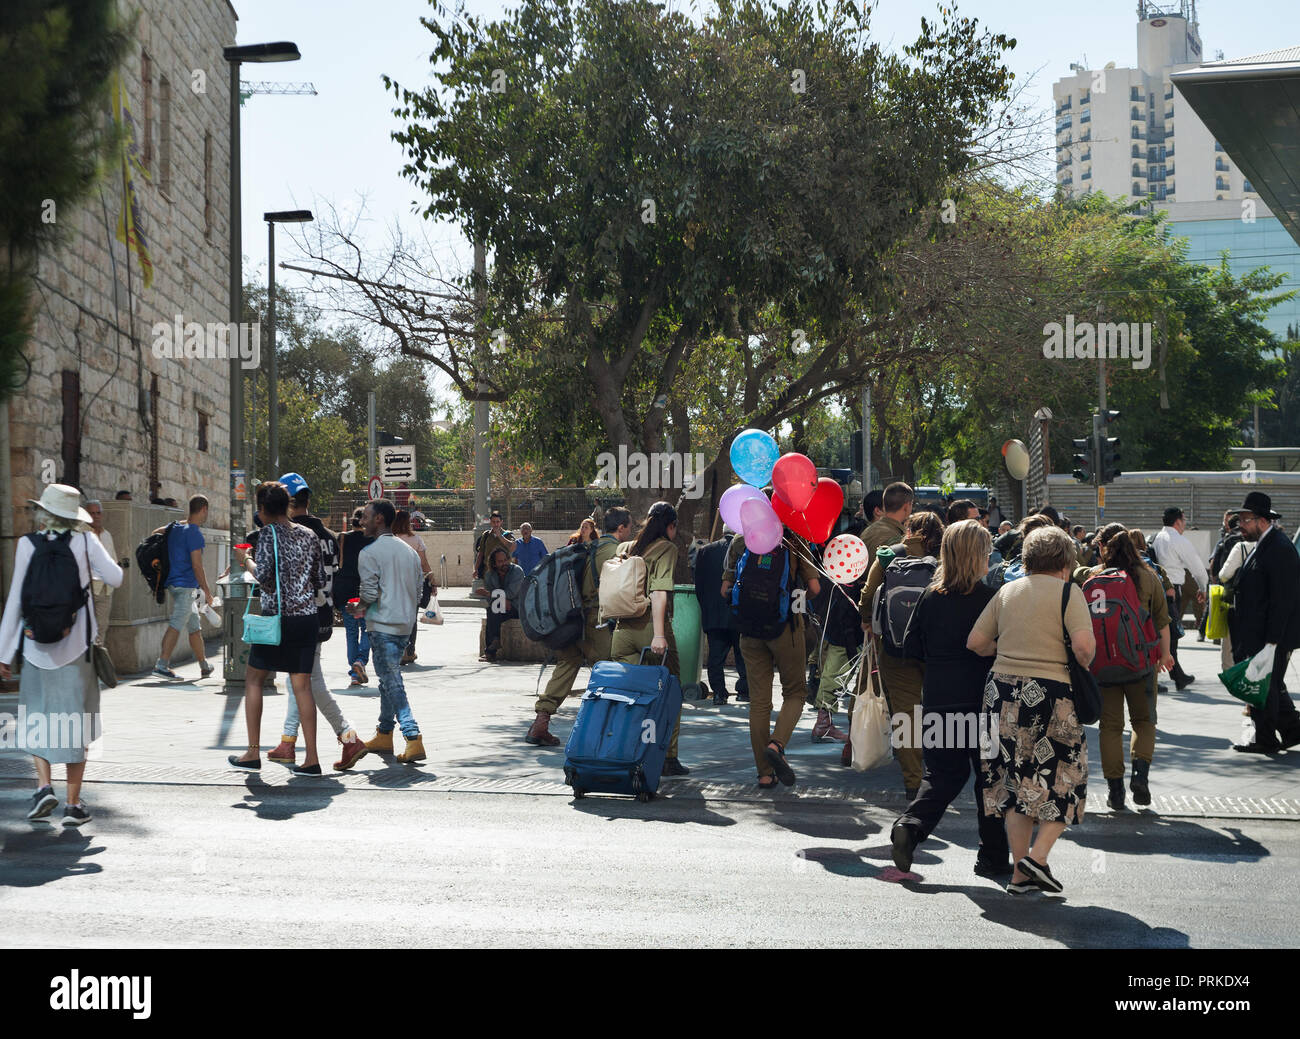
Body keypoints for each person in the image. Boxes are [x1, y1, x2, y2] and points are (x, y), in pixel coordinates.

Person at [967, 526, 1095, 895]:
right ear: (1065, 561)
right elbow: (1085, 651)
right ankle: (1036, 860)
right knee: (1068, 778)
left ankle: (1020, 877)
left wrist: (1007, 649)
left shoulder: (1007, 591)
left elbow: (975, 642)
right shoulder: (1069, 594)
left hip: (1000, 694)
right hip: (1050, 696)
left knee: (1012, 785)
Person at [890, 519, 1010, 877]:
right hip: (983, 702)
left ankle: (911, 825)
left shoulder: (929, 597)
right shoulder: (992, 599)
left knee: (942, 775)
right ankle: (991, 856)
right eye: (987, 550)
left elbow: (911, 647)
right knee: (989, 779)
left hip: (940, 696)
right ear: (977, 556)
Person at [0, 485, 123, 825]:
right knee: (76, 725)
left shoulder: (26, 544)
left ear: (44, 512)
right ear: (74, 515)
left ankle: (43, 787)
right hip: (76, 648)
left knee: (39, 719)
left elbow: (16, 600)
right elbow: (116, 576)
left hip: (36, 645)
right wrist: (88, 573)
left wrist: (4, 653)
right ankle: (73, 804)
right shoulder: (85, 541)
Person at [254, 474, 368, 772]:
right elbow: (325, 577)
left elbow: (270, 578)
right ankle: (294, 741)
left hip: (293, 615)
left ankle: (344, 736)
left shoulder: (288, 533)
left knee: (305, 683)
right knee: (304, 681)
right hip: (319, 614)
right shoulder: (327, 535)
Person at [228, 482, 328, 776]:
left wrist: (245, 559)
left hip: (277, 619)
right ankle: (311, 759)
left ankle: (252, 752)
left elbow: (266, 579)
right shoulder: (310, 535)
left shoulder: (266, 535)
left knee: (254, 679)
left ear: (262, 510)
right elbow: (319, 578)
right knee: (302, 687)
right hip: (306, 619)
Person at [1074, 524, 1173, 811]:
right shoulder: (1147, 576)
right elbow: (1161, 621)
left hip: (1103, 666)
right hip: (1141, 664)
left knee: (1110, 727)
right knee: (1143, 721)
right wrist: (1164, 655)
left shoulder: (1095, 576)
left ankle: (1114, 791)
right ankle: (1140, 777)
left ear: (1105, 549)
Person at [721, 525, 822, 788]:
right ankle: (777, 745)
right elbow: (814, 587)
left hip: (749, 630)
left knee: (759, 703)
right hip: (785, 628)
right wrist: (797, 597)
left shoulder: (742, 540)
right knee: (796, 692)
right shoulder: (793, 540)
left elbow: (725, 590)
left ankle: (765, 774)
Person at [525, 508, 631, 746]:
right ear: (622, 527)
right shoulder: (612, 551)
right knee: (607, 670)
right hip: (596, 622)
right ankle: (604, 729)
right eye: (629, 526)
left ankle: (540, 723)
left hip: (571, 621)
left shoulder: (588, 548)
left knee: (567, 664)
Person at [861, 510, 945, 797]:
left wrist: (867, 621)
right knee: (938, 711)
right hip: (936, 650)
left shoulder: (889, 556)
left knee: (906, 716)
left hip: (895, 648)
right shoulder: (945, 559)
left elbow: (869, 595)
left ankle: (913, 783)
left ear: (909, 530)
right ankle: (940, 776)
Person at [610, 502, 691, 776]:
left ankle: (624, 751)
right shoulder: (667, 548)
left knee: (628, 695)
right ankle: (667, 757)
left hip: (620, 630)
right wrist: (659, 634)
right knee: (671, 688)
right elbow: (659, 593)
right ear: (671, 526)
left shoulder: (626, 548)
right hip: (649, 629)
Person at [354, 499, 427, 762]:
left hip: (382, 625)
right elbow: (420, 591)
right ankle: (384, 733)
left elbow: (370, 593)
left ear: (380, 520)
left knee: (392, 682)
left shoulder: (369, 553)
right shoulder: (409, 551)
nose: (362, 521)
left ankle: (412, 735)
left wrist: (358, 607)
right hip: (405, 625)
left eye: (366, 516)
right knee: (388, 680)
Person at [1228, 492, 1300, 754]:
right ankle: (1292, 730)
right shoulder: (1264, 544)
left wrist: (1272, 640)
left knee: (1264, 686)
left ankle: (1267, 739)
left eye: (1245, 520)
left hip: (1270, 635)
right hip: (1259, 633)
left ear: (1261, 520)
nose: (1241, 526)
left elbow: (1283, 599)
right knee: (1270, 685)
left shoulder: (1279, 548)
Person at [153, 494, 215, 680]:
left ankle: (204, 665)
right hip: (186, 586)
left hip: (173, 583)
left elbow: (156, 532)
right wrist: (207, 591)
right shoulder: (194, 533)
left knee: (194, 627)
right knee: (176, 624)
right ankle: (161, 665)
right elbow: (197, 565)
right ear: (203, 509)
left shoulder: (176, 527)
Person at [1150, 507, 1207, 691]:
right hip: (1172, 589)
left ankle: (1176, 674)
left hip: (1156, 588)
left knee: (1163, 631)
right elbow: (1196, 566)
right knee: (1171, 632)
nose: (1185, 524)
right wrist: (1203, 586)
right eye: (1184, 520)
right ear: (1178, 521)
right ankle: (1174, 674)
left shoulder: (1157, 537)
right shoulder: (1178, 539)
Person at [694, 526, 749, 706]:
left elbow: (699, 584)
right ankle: (744, 691)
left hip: (714, 613)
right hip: (739, 611)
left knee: (715, 657)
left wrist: (706, 607)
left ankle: (719, 693)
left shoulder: (705, 551)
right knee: (743, 655)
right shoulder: (746, 549)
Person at [334, 507, 373, 686]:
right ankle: (360, 662)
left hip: (345, 588)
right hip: (364, 589)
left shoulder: (342, 537)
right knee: (367, 629)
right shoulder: (372, 540)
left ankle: (354, 672)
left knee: (351, 631)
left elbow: (337, 563)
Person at [392, 509, 435, 665]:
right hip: (413, 584)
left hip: (394, 584)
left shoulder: (391, 539)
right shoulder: (416, 539)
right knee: (412, 619)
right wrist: (432, 578)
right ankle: (409, 651)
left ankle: (398, 650)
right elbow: (424, 563)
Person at [475, 547, 525, 662]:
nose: (504, 564)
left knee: (493, 611)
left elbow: (512, 593)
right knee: (492, 610)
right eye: (500, 562)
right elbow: (490, 600)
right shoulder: (489, 575)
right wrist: (500, 599)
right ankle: (494, 643)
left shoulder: (517, 571)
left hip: (518, 607)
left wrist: (491, 594)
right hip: (501, 607)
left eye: (505, 560)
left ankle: (490, 651)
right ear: (494, 563)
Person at [84, 500, 116, 648]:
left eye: (98, 513)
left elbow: (112, 561)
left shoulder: (107, 535)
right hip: (86, 588)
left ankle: (97, 666)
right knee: (85, 628)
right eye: (92, 513)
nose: (96, 516)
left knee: (102, 627)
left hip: (105, 589)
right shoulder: (80, 534)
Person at [474, 510, 514, 579]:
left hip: (503, 572)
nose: (495, 524)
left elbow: (512, 547)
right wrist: (476, 569)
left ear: (501, 522)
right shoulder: (486, 535)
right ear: (490, 522)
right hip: (488, 571)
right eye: (493, 522)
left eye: (497, 522)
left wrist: (500, 535)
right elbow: (480, 553)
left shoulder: (507, 534)